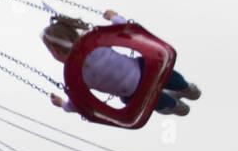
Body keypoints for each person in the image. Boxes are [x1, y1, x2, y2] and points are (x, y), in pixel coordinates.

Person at [43, 10, 201, 118]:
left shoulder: (74, 74)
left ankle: (174, 105)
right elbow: (122, 29)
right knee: (161, 74)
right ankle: (185, 88)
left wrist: (63, 105)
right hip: (142, 73)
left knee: (147, 99)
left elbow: (77, 103)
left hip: (131, 93)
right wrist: (113, 16)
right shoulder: (93, 42)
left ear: (56, 52)